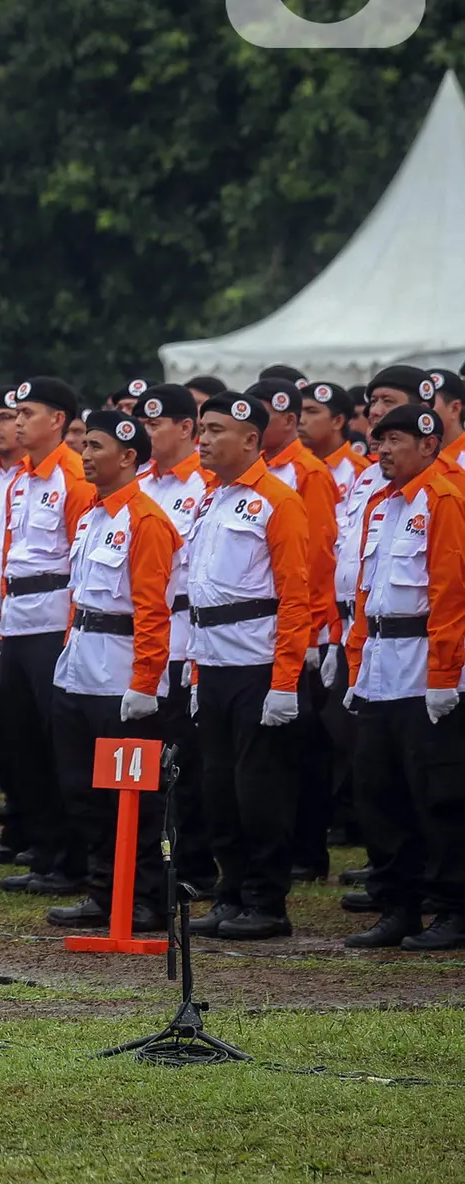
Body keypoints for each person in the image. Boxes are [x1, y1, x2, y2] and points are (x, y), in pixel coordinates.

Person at [42, 409, 180, 933]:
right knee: (84, 791)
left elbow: (152, 609)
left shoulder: (144, 519)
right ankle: (104, 890)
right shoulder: (93, 516)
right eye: (84, 445)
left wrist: (145, 682)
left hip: (121, 677)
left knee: (136, 797)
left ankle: (146, 898)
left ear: (128, 457)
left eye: (96, 446)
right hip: (79, 667)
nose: (86, 455)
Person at [184, 390, 314, 940]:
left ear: (251, 439)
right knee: (216, 787)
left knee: (257, 789)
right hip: (212, 664)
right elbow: (200, 594)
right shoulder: (210, 499)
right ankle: (231, 890)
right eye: (202, 430)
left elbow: (296, 597)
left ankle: (266, 900)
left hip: (257, 666)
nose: (204, 440)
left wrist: (284, 683)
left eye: (215, 430)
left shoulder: (277, 501)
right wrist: (194, 673)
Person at [341, 404, 465, 951]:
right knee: (380, 792)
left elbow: (450, 593)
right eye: (378, 440)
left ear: (429, 444)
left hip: (425, 667)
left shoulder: (444, 499)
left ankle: (455, 907)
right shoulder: (381, 504)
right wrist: (355, 665)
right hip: (380, 667)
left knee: (438, 795)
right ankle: (399, 906)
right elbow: (367, 596)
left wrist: (445, 674)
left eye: (394, 439)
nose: (383, 449)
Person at [0, 378, 96, 896]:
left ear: (58, 420)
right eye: (15, 413)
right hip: (18, 619)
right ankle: (46, 851)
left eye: (27, 413)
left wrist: (73, 629)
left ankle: (73, 859)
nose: (16, 422)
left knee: (59, 744)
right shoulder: (21, 481)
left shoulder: (75, 477)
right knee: (24, 744)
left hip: (55, 621)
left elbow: (82, 563)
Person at [251, 377, 342, 881]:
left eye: (270, 416)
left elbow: (315, 557)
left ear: (288, 420)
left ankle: (308, 851)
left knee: (303, 747)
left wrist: (311, 632)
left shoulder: (307, 472)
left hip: (302, 626)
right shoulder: (248, 479)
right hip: (268, 629)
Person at [134, 383, 216, 892]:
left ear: (186, 428)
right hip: (146, 635)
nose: (146, 434)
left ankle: (197, 867)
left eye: (154, 424)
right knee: (150, 757)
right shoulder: (140, 484)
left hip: (187, 636)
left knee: (188, 759)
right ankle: (156, 861)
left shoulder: (207, 486)